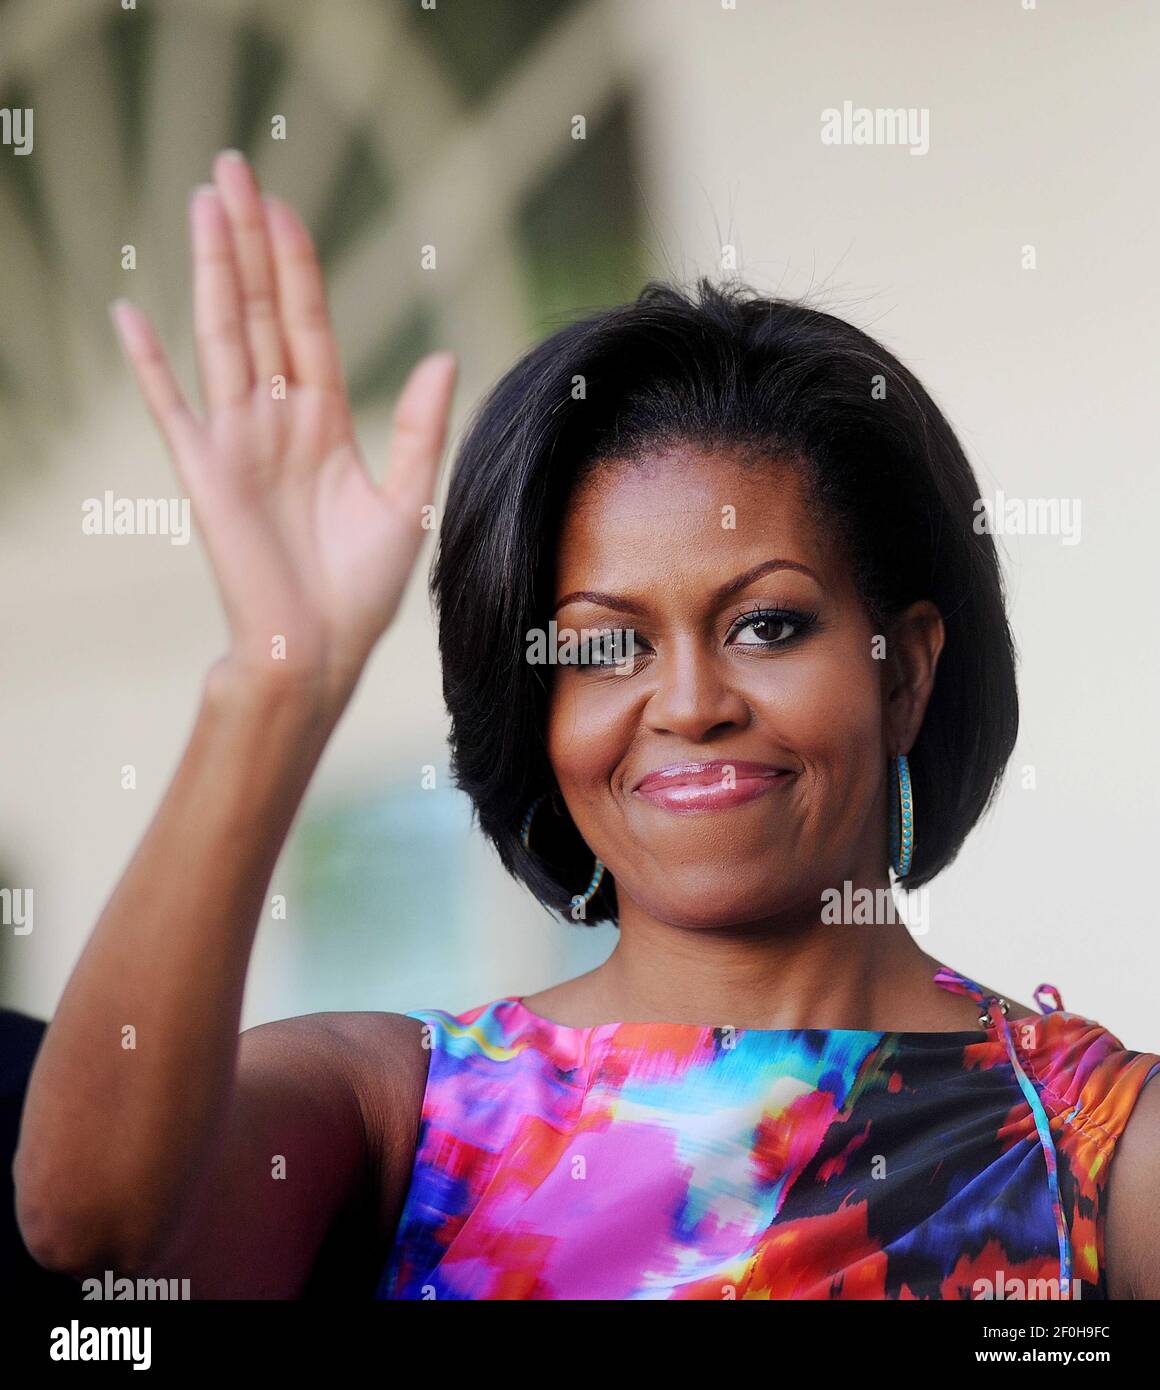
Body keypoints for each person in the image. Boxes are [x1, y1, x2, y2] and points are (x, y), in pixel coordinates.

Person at [13, 149, 1160, 1301]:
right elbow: (92, 1222)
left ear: (903, 673)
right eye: (605, 644)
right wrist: (274, 684)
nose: (690, 702)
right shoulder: (396, 1110)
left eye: (765, 625)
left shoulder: (1101, 1152)